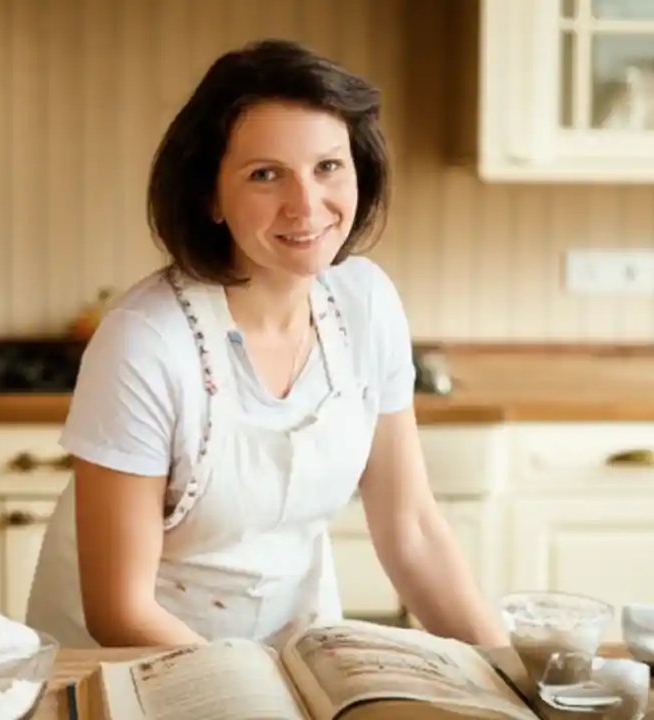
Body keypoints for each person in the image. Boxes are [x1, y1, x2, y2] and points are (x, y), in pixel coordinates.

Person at [25, 38, 508, 651]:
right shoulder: (144, 342)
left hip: (293, 655)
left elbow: (410, 530)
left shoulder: (366, 303)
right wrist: (254, 693)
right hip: (134, 670)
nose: (306, 205)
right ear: (210, 195)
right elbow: (121, 611)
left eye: (327, 167)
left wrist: (506, 670)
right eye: (265, 175)